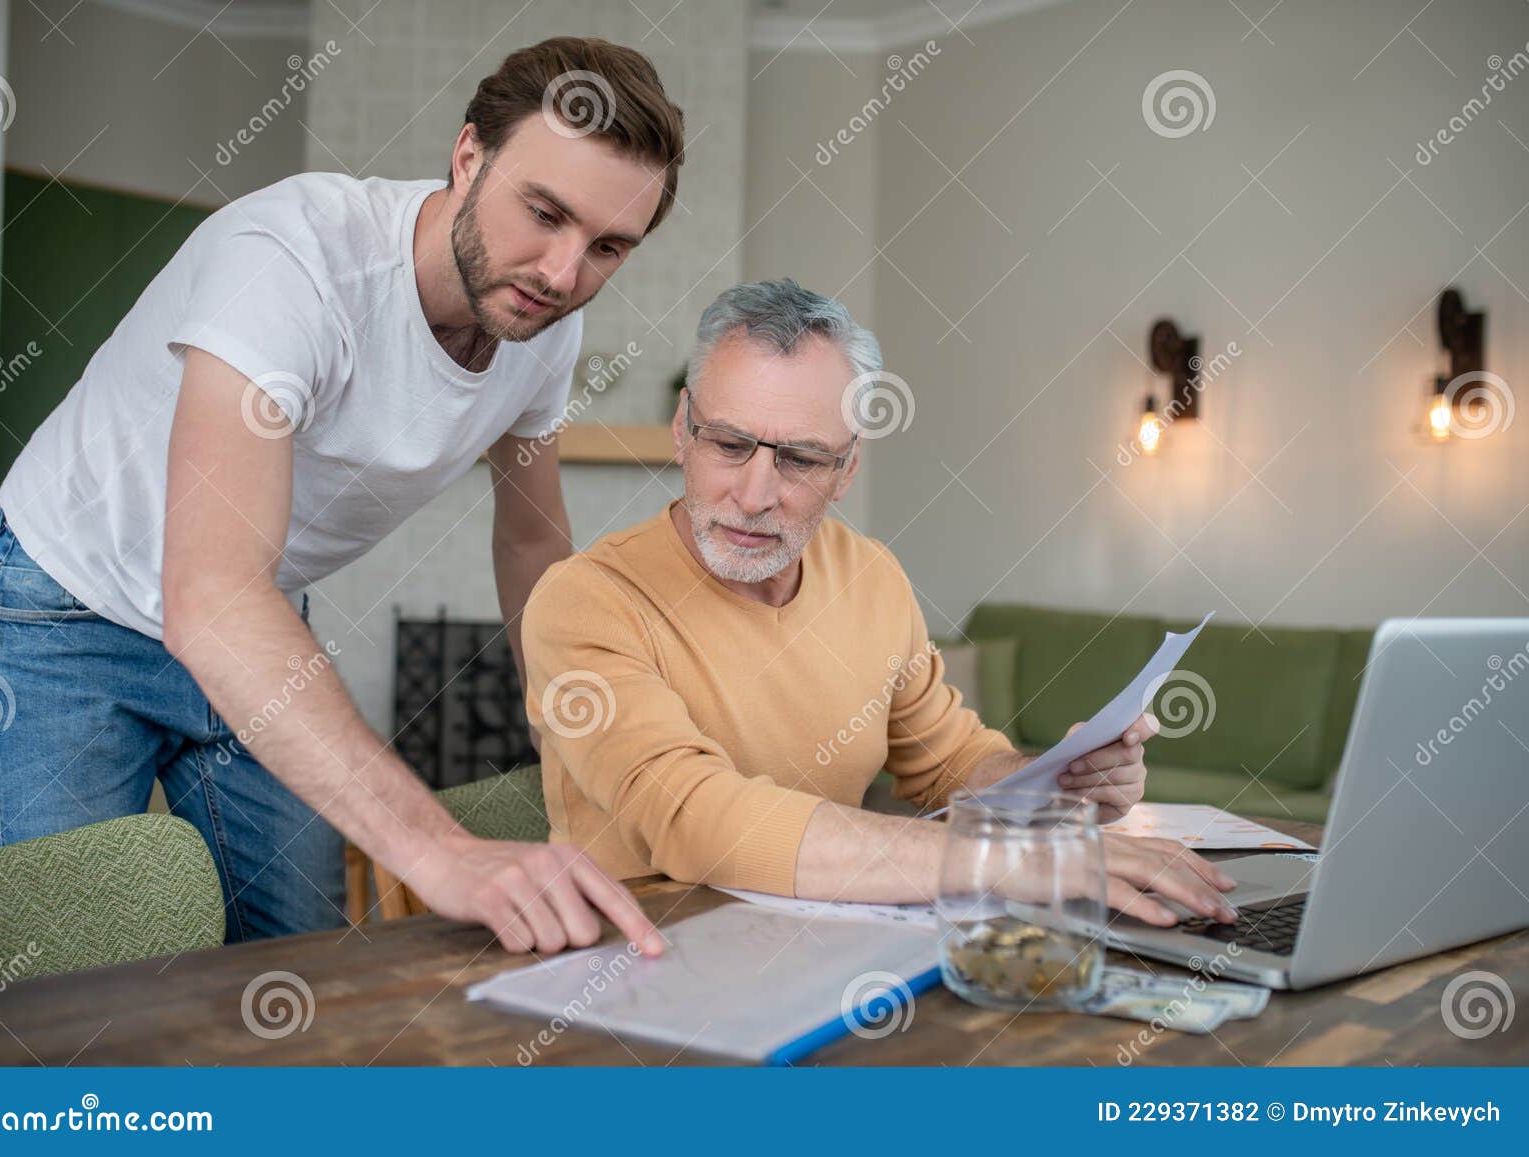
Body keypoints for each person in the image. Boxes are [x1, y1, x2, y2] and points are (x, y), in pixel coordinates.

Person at [0, 37, 678, 954]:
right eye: (544, 212)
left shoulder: (544, 332)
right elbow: (211, 597)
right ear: (469, 157)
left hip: (253, 610)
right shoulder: (293, 261)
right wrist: (438, 849)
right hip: (73, 598)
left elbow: (531, 546)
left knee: (298, 954)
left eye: (607, 248)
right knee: (71, 979)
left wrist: (582, 747)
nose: (561, 273)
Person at [523, 279, 1240, 927]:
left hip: (825, 956)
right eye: (731, 443)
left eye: (800, 459)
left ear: (847, 466)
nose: (754, 494)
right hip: (638, 976)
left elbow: (951, 763)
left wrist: (1059, 784)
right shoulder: (584, 601)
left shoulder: (871, 576)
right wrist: (1012, 861)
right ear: (683, 429)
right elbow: (692, 815)